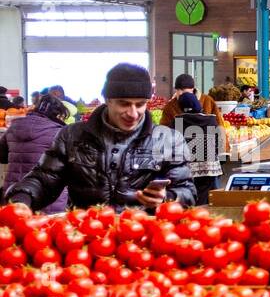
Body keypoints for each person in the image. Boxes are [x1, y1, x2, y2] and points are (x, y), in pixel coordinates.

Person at [5, 63, 194, 211]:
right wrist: (22, 199)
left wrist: (167, 198)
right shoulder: (72, 137)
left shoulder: (169, 140)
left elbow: (187, 192)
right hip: (85, 239)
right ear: (107, 100)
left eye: (140, 104)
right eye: (124, 104)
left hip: (144, 241)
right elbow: (44, 179)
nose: (133, 113)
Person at [0, 93, 70, 213]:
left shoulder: (14, 126)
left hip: (14, 194)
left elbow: (1, 156)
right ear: (57, 114)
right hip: (47, 199)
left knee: (16, 227)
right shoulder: (60, 132)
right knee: (45, 230)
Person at [175, 91, 224, 205]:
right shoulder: (211, 120)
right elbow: (219, 143)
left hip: (187, 170)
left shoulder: (177, 121)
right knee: (207, 199)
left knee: (189, 199)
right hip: (209, 169)